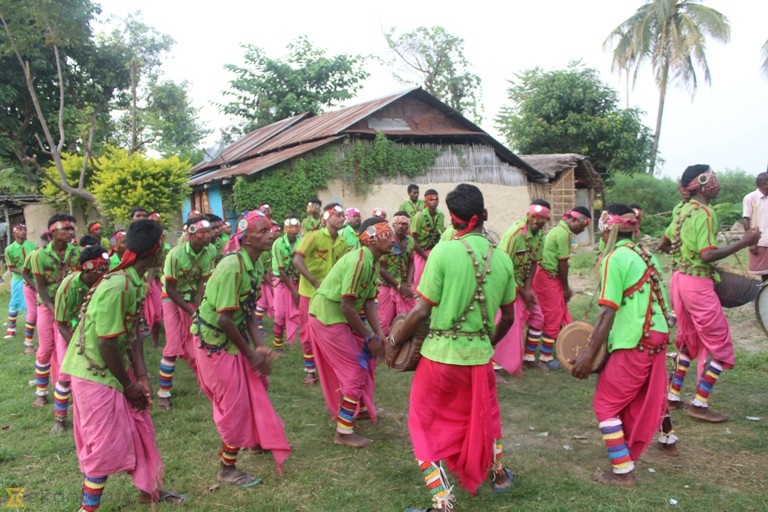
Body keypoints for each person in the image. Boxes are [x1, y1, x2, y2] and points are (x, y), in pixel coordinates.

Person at [393, 184, 516, 512]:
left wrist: (394, 341)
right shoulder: (502, 259)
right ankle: (499, 473)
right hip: (479, 359)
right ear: (482, 217)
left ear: (453, 219)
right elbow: (509, 317)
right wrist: (487, 343)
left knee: (422, 423)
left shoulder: (443, 253)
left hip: (439, 358)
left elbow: (421, 310)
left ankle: (442, 501)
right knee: (486, 415)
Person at [61, 219, 185, 510]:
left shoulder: (134, 281)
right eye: (162, 245)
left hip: (112, 367)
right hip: (93, 372)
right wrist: (128, 385)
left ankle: (148, 489)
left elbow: (134, 334)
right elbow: (105, 343)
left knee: (141, 423)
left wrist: (141, 377)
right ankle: (88, 507)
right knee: (103, 443)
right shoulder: (117, 285)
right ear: (155, 251)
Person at [571, 204, 673, 487]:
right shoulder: (646, 253)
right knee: (640, 398)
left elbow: (607, 311)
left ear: (609, 229)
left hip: (635, 341)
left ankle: (623, 471)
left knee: (605, 404)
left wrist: (587, 357)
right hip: (657, 337)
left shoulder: (614, 258)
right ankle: (668, 440)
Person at [192, 210, 291, 487]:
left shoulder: (257, 263)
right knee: (234, 404)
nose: (270, 234)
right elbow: (224, 318)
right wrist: (251, 355)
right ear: (246, 239)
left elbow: (247, 310)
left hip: (229, 337)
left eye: (270, 229)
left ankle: (253, 440)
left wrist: (259, 345)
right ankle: (227, 467)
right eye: (262, 231)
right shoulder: (232, 266)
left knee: (259, 384)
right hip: (212, 341)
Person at [665, 165, 760, 422]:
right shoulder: (705, 214)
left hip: (679, 280)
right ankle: (699, 403)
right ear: (703, 182)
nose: (718, 183)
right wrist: (744, 241)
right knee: (721, 345)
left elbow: (664, 243)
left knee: (689, 338)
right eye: (714, 177)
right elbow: (707, 254)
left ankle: (673, 396)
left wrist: (685, 254)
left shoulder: (682, 209)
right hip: (697, 284)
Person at [308, 216, 394, 448]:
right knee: (355, 369)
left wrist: (379, 334)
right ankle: (343, 431)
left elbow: (367, 303)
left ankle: (361, 407)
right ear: (371, 239)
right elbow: (347, 306)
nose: (393, 237)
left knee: (365, 361)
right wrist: (369, 337)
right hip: (328, 316)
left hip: (338, 316)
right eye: (387, 233)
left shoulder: (373, 262)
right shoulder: (360, 261)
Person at [156, 215, 215, 410]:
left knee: (197, 341)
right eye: (203, 232)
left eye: (209, 232)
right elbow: (171, 290)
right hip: (171, 298)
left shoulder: (210, 251)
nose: (208, 236)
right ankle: (164, 393)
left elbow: (201, 284)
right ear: (191, 234)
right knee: (173, 345)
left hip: (191, 298)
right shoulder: (175, 254)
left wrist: (198, 308)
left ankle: (208, 385)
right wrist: (191, 312)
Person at [49, 245, 110, 435]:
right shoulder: (68, 286)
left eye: (107, 267)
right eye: (101, 269)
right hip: (68, 331)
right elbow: (60, 323)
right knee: (66, 375)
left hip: (93, 331)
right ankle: (59, 419)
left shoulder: (105, 284)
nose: (105, 273)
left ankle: (96, 414)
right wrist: (78, 348)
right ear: (87, 268)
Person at [293, 203, 347, 385]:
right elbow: (297, 259)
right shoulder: (313, 237)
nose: (341, 218)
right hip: (309, 293)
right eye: (337, 215)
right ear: (326, 217)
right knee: (307, 332)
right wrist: (315, 281)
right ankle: (310, 370)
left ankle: (329, 366)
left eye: (343, 215)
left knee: (331, 329)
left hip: (330, 294)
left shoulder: (342, 241)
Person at [531, 206, 591, 368]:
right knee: (553, 316)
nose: (582, 230)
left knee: (553, 313)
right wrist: (566, 289)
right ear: (573, 220)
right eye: (582, 226)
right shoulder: (563, 234)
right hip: (547, 277)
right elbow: (563, 264)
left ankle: (532, 354)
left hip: (544, 275)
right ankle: (545, 357)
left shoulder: (558, 230)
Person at [494, 200, 550, 375]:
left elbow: (534, 264)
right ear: (528, 215)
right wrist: (520, 290)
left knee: (538, 317)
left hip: (522, 285)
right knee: (505, 322)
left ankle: (529, 358)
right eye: (533, 217)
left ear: (545, 221)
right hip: (505, 283)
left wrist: (527, 290)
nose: (535, 221)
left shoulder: (541, 236)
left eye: (540, 219)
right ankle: (494, 366)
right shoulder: (515, 234)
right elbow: (502, 264)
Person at [29, 214, 80, 407]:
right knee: (45, 349)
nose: (70, 232)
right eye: (65, 228)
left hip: (71, 308)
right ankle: (41, 392)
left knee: (68, 347)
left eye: (71, 228)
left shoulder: (77, 252)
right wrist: (55, 311)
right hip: (46, 306)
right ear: (53, 231)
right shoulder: (39, 256)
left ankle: (71, 389)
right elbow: (40, 287)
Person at [377, 211, 416, 335]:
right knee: (384, 320)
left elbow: (411, 263)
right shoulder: (386, 240)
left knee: (406, 319)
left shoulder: (409, 241)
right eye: (398, 223)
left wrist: (409, 284)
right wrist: (399, 286)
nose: (401, 226)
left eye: (404, 224)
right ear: (393, 225)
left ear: (408, 226)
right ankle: (383, 347)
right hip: (387, 285)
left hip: (403, 285)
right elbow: (382, 270)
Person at [271, 215, 302, 350]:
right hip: (281, 281)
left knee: (296, 311)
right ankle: (278, 345)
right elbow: (281, 270)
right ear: (285, 229)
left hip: (296, 280)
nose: (294, 230)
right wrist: (293, 291)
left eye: (296, 227)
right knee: (279, 314)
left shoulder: (302, 243)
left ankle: (294, 340)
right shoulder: (278, 244)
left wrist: (299, 288)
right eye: (291, 227)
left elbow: (302, 266)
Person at [4, 224, 35, 340]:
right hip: (18, 279)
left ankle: (31, 327)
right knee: (15, 302)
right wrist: (23, 272)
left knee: (33, 303)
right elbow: (10, 267)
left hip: (32, 279)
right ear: (14, 233)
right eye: (20, 230)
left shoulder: (32, 246)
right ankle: (11, 328)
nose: (23, 232)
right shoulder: (9, 250)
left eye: (25, 230)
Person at [411, 189, 445, 287]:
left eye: (436, 199)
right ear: (426, 201)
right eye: (431, 199)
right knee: (420, 281)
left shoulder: (441, 215)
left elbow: (441, 235)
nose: (434, 201)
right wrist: (425, 256)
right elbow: (413, 239)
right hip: (421, 252)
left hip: (436, 251)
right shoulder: (419, 216)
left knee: (435, 280)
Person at [742, 172, 768, 281]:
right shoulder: (750, 198)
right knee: (764, 277)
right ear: (764, 184)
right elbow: (746, 220)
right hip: (760, 243)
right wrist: (751, 243)